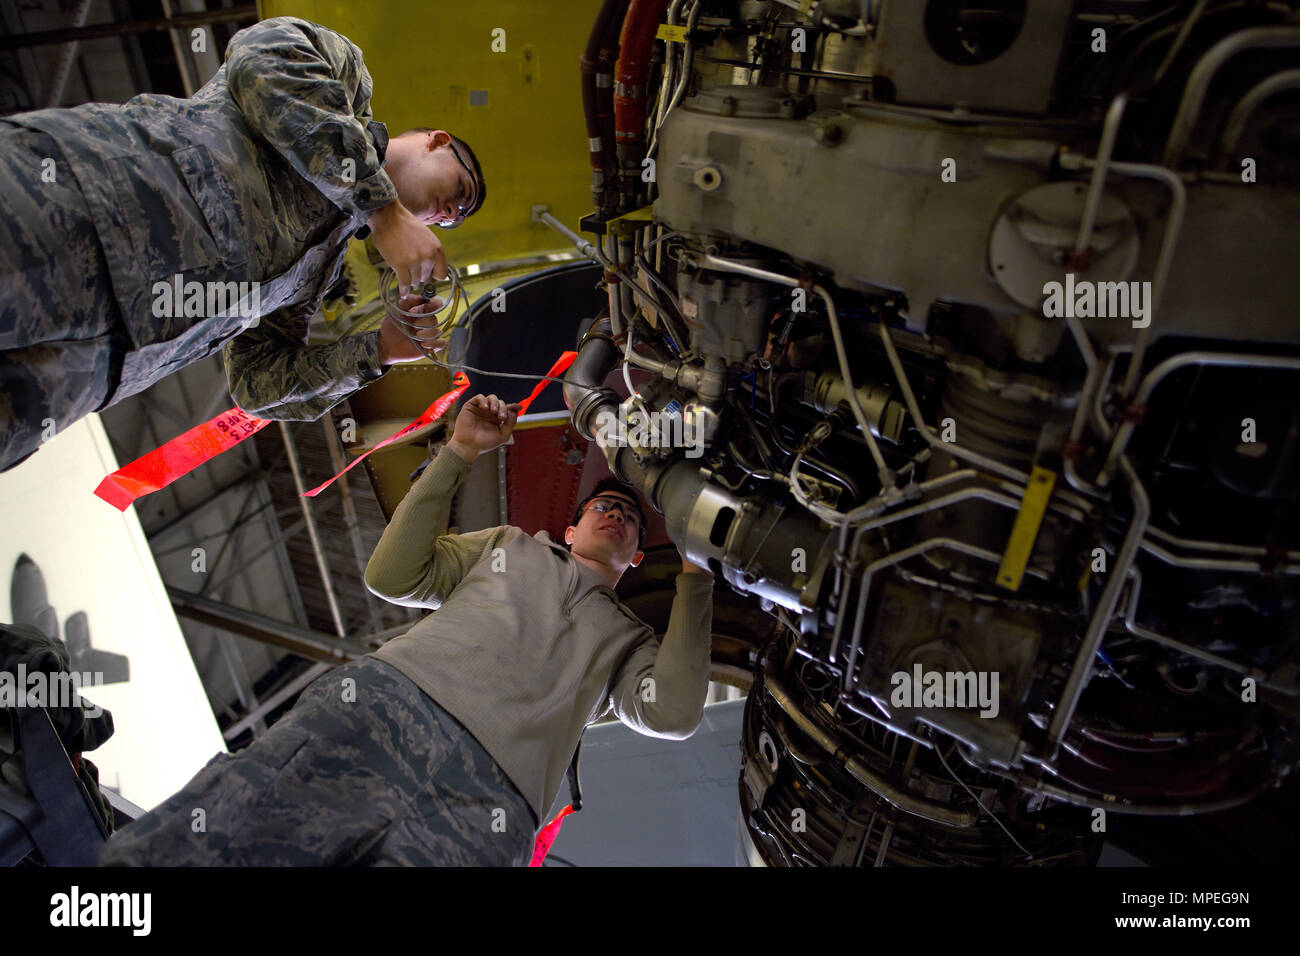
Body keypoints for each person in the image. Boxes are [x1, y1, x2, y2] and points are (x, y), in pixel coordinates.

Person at [99, 393, 715, 866]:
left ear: (638, 554)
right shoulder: (508, 546)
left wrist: (696, 570)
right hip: (386, 711)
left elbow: (672, 715)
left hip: (489, 800)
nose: (614, 513)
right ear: (570, 529)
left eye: (630, 517)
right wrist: (459, 452)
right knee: (234, 834)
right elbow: (394, 575)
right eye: (601, 506)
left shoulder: (631, 643)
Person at [0, 15, 484, 473]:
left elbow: (256, 383)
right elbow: (263, 55)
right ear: (436, 141)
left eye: (454, 221)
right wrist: (380, 206)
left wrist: (376, 351)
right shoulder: (345, 83)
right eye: (460, 192)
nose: (448, 214)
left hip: (72, 373)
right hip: (62, 212)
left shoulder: (314, 273)